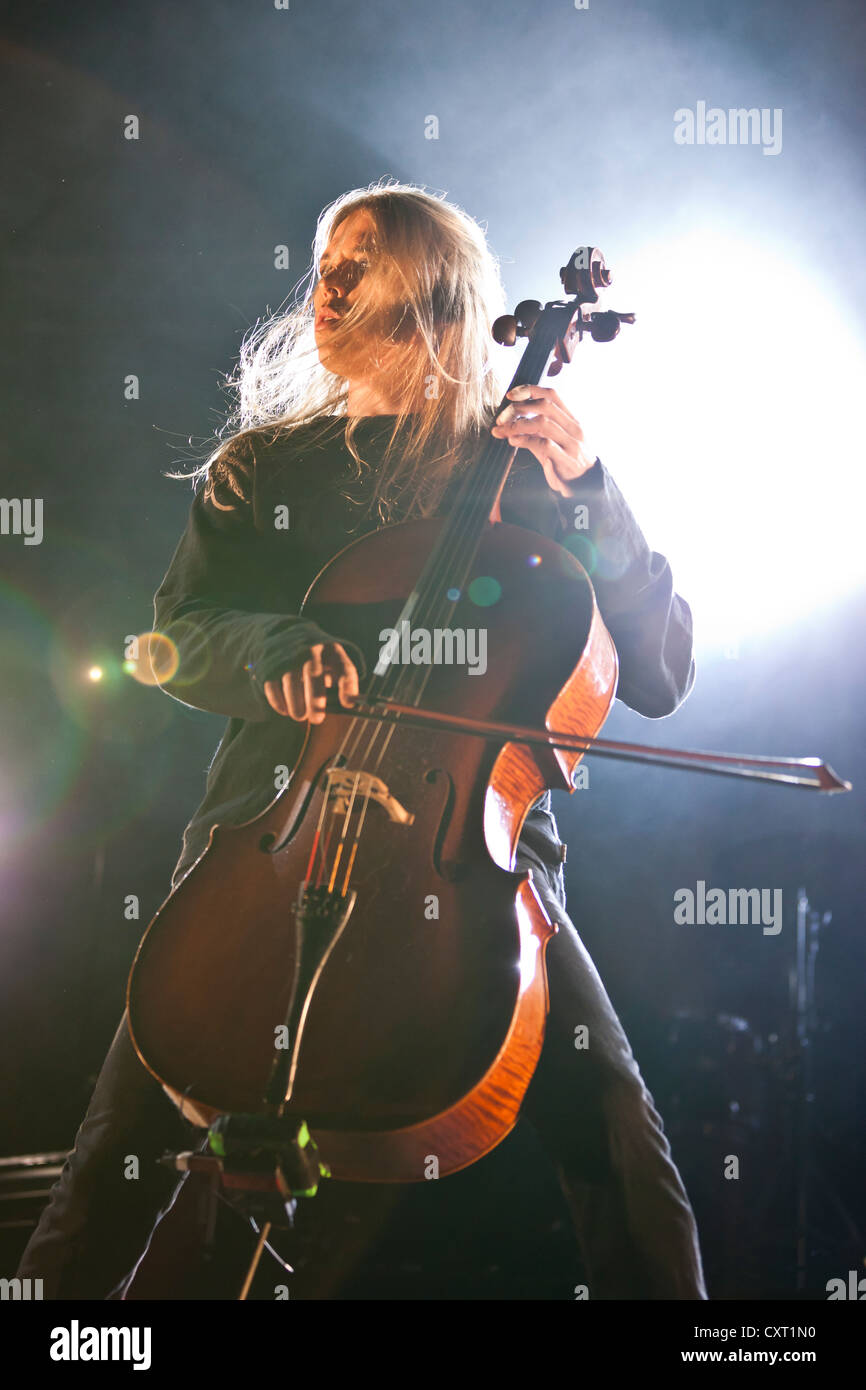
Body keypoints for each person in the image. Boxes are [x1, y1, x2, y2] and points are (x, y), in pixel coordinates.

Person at [16, 180, 707, 1300]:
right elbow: (177, 637)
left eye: (359, 262)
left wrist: (588, 490)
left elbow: (661, 672)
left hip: (472, 861)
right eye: (323, 261)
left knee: (617, 1138)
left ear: (432, 292)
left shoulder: (527, 482)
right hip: (269, 841)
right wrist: (271, 646)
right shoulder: (263, 469)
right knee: (110, 1165)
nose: (324, 287)